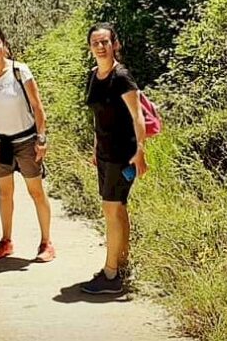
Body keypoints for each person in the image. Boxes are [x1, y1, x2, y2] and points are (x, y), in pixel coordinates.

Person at [0, 25, 55, 262]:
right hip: (2, 144)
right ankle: (6, 241)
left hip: (26, 141)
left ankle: (46, 243)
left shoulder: (20, 71)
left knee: (36, 192)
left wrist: (41, 138)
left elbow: (38, 107)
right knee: (5, 193)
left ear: (4, 45)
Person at [81, 22, 148, 295]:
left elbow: (138, 116)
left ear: (115, 45)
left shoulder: (122, 77)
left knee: (110, 210)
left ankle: (110, 274)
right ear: (90, 48)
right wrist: (96, 148)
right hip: (104, 154)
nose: (101, 46)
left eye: (105, 42)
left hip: (123, 155)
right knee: (117, 209)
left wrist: (140, 152)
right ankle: (121, 265)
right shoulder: (93, 76)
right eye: (96, 42)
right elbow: (98, 115)